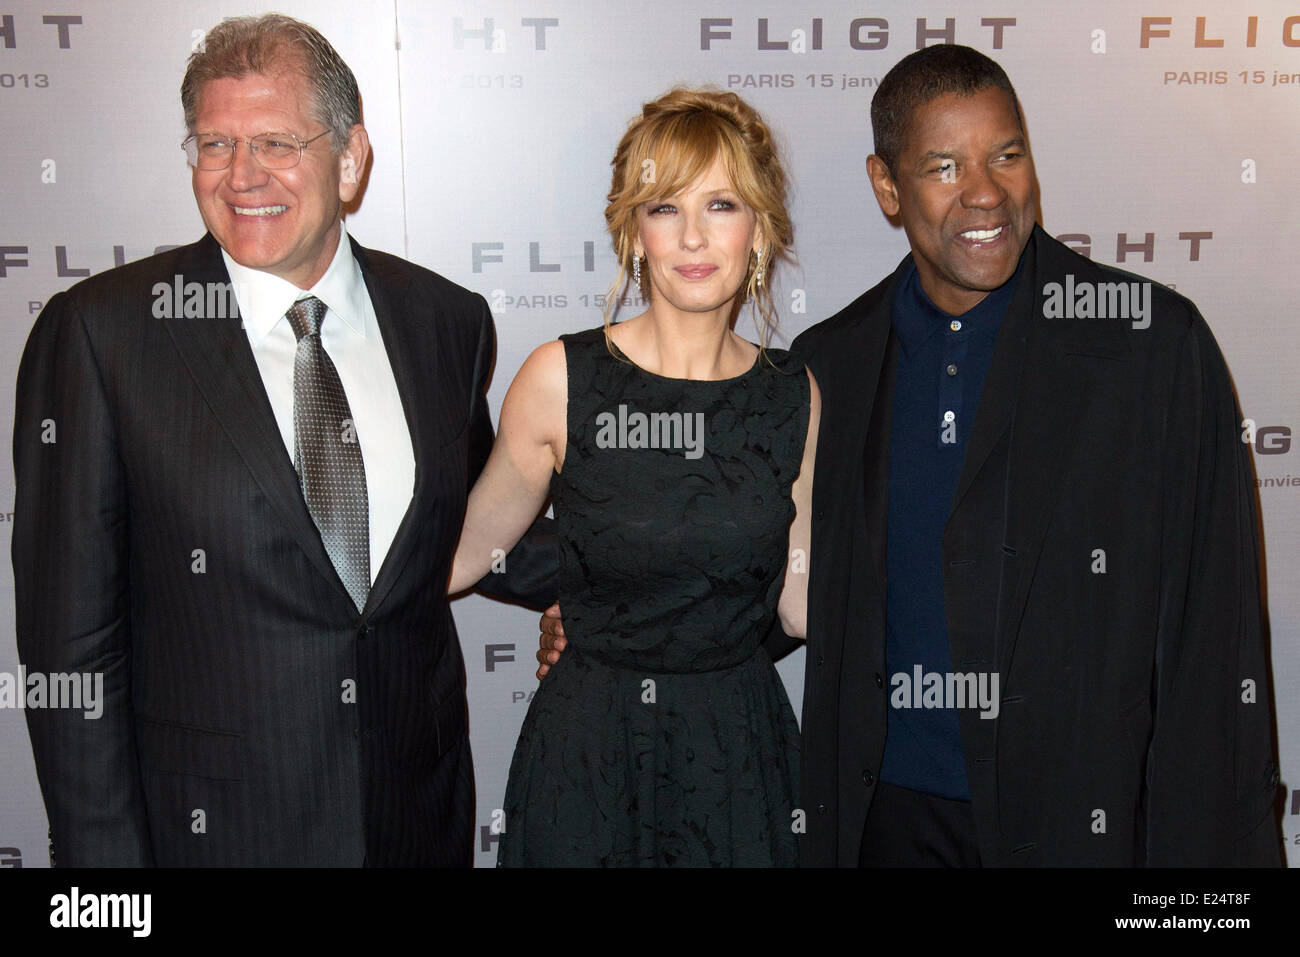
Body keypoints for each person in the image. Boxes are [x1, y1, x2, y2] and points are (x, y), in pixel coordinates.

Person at [540, 45, 1282, 866]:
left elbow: (1216, 644)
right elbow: (762, 571)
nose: (985, 191)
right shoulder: (830, 368)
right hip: (879, 825)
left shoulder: (1146, 346)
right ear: (887, 188)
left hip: (1084, 824)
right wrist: (621, 619)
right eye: (943, 165)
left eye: (1007, 154)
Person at [12, 13, 554, 867]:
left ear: (350, 158)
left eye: (274, 142)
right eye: (214, 144)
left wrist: (625, 584)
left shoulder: (444, 321)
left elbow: (474, 526)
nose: (241, 176)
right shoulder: (101, 334)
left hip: (415, 822)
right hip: (210, 837)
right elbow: (71, 649)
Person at [449, 88, 819, 866]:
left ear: (759, 229)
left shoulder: (793, 396)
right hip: (590, 755)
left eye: (720, 204)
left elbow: (801, 602)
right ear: (631, 229)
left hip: (739, 752)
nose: (692, 235)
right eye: (663, 207)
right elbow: (461, 554)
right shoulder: (561, 377)